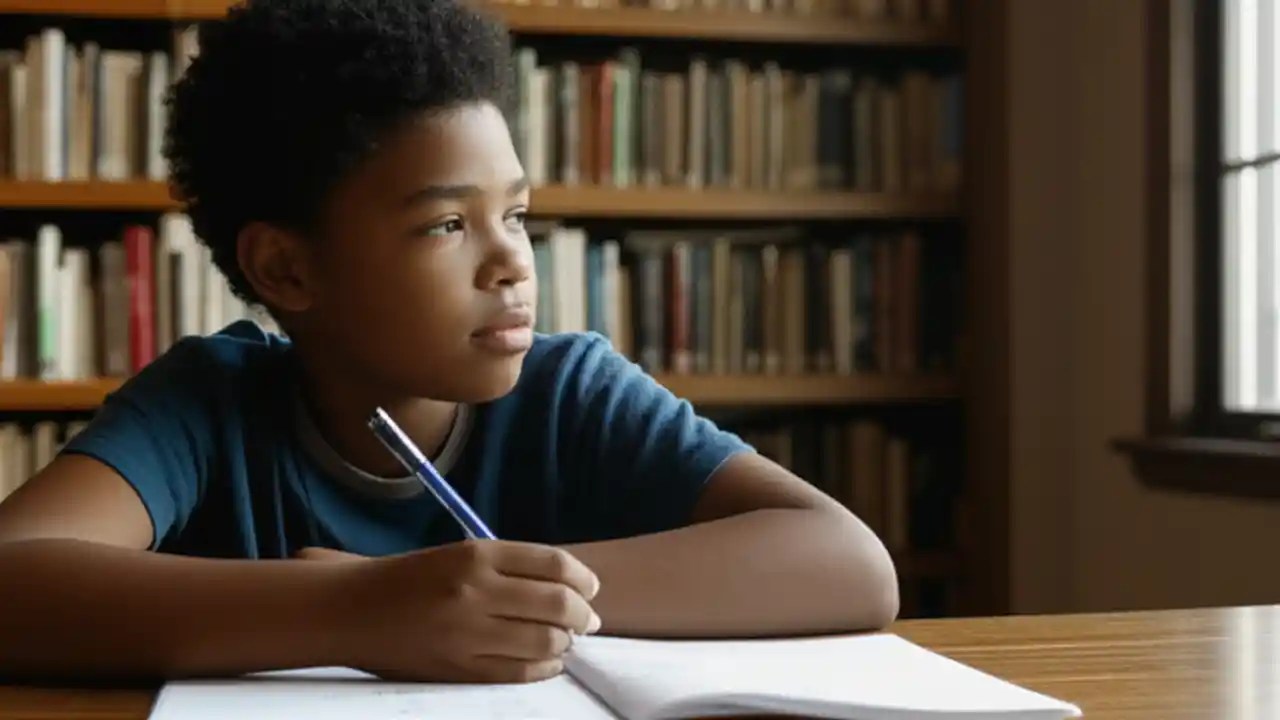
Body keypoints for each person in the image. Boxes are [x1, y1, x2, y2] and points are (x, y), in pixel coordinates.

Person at [0, 0, 897, 684]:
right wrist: (356, 608)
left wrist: (489, 596)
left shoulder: (570, 391)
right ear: (285, 269)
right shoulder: (207, 405)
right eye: (446, 225)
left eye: (515, 214)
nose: (512, 262)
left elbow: (848, 564)